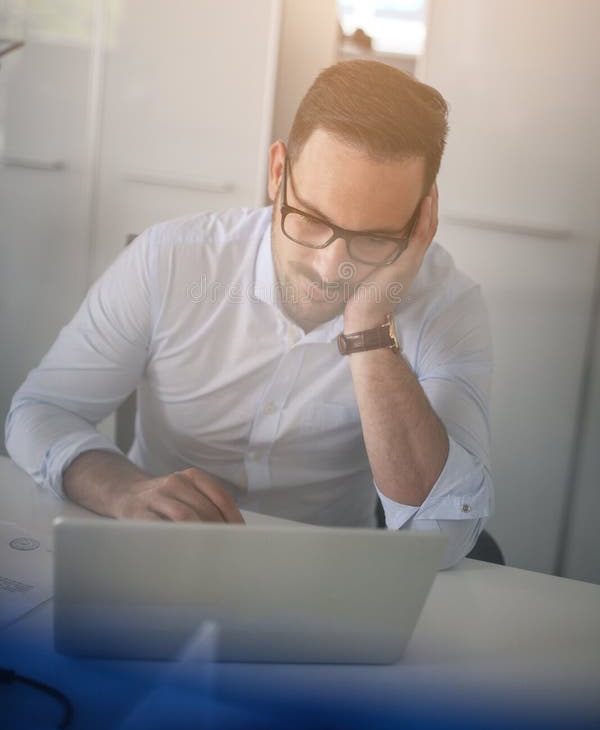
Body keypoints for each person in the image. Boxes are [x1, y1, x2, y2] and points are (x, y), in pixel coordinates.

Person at [5, 60, 492, 568]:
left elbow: (445, 534)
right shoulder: (171, 259)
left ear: (419, 221)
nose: (333, 267)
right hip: (154, 553)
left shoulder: (445, 304)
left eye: (375, 238)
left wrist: (369, 332)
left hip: (324, 573)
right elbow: (37, 412)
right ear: (278, 172)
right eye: (311, 219)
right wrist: (123, 490)